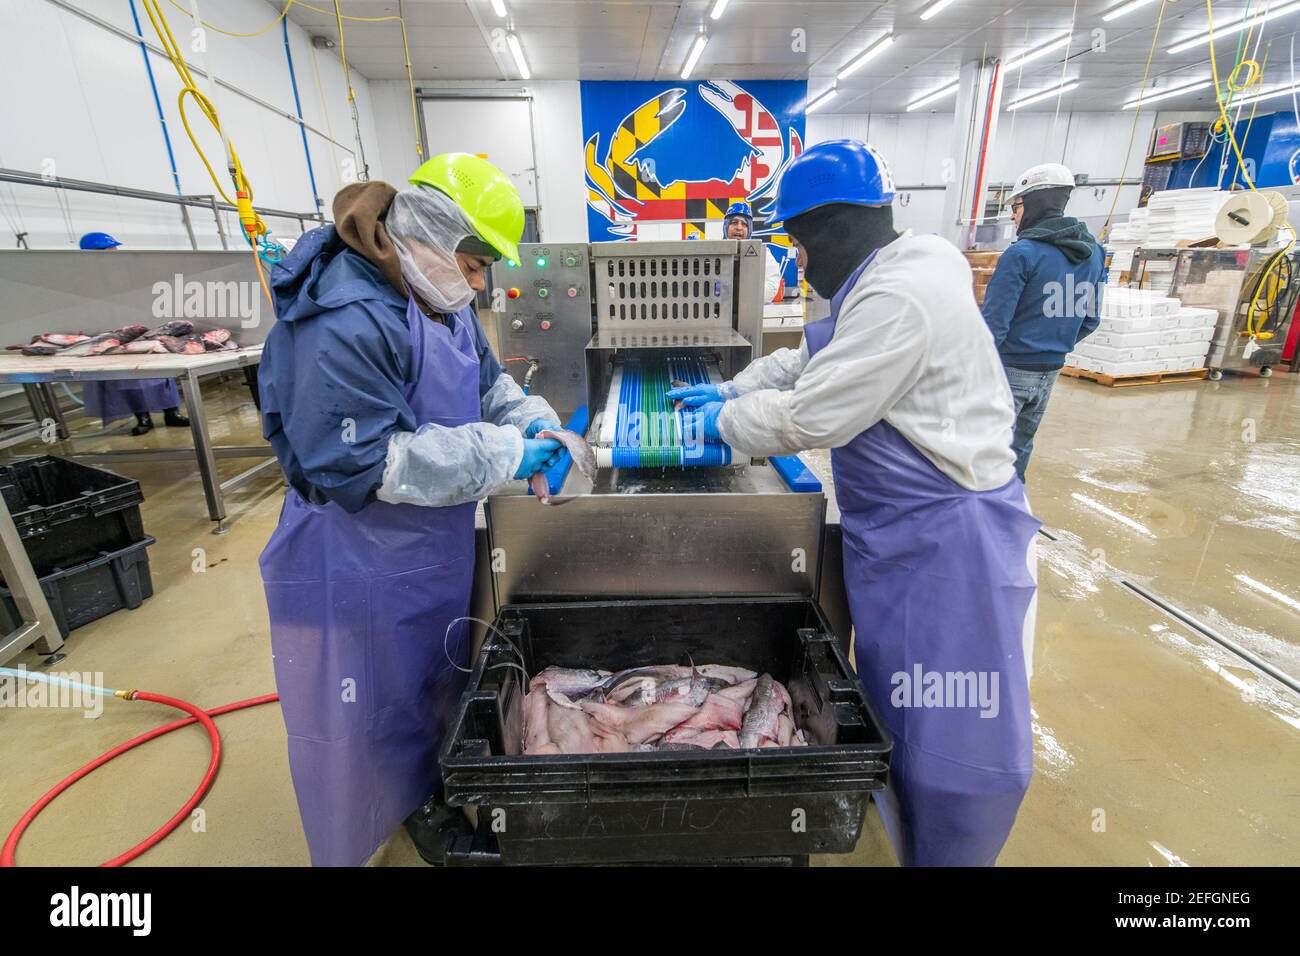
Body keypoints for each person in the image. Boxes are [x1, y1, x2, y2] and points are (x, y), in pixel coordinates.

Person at [667, 140, 1040, 867]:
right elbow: (817, 357)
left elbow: (814, 416)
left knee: (952, 727)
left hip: (950, 548)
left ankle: (947, 852)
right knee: (897, 706)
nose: (800, 261)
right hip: (905, 545)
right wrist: (736, 386)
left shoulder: (901, 297)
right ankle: (895, 825)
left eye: (800, 245)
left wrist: (719, 424)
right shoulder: (900, 269)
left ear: (834, 227)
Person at [256, 154, 563, 867]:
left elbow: (492, 390)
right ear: (425, 233)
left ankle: (430, 785)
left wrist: (537, 425)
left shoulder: (434, 296)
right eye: (474, 261)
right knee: (367, 703)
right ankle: (399, 819)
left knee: (429, 680)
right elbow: (360, 460)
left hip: (427, 543)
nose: (482, 282)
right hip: (357, 555)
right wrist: (502, 457)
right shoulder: (347, 315)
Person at [980, 163, 1103, 480]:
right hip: (1050, 371)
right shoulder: (1095, 253)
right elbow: (1091, 318)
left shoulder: (1022, 254)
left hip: (1010, 369)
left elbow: (993, 326)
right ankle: (1010, 517)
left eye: (1016, 207)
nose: (1012, 216)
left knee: (986, 453)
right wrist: (1053, 345)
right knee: (1018, 451)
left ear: (1036, 201)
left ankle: (982, 522)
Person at [77, 232, 190, 436]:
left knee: (161, 373)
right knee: (129, 377)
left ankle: (172, 412)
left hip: (145, 327)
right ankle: (143, 417)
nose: (115, 253)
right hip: (116, 334)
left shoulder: (128, 271)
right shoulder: (87, 280)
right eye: (111, 250)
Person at [723, 201, 784, 302]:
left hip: (750, 311)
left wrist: (740, 294)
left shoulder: (763, 253)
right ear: (726, 226)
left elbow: (772, 287)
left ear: (749, 229)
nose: (739, 227)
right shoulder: (715, 253)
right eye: (734, 222)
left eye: (744, 224)